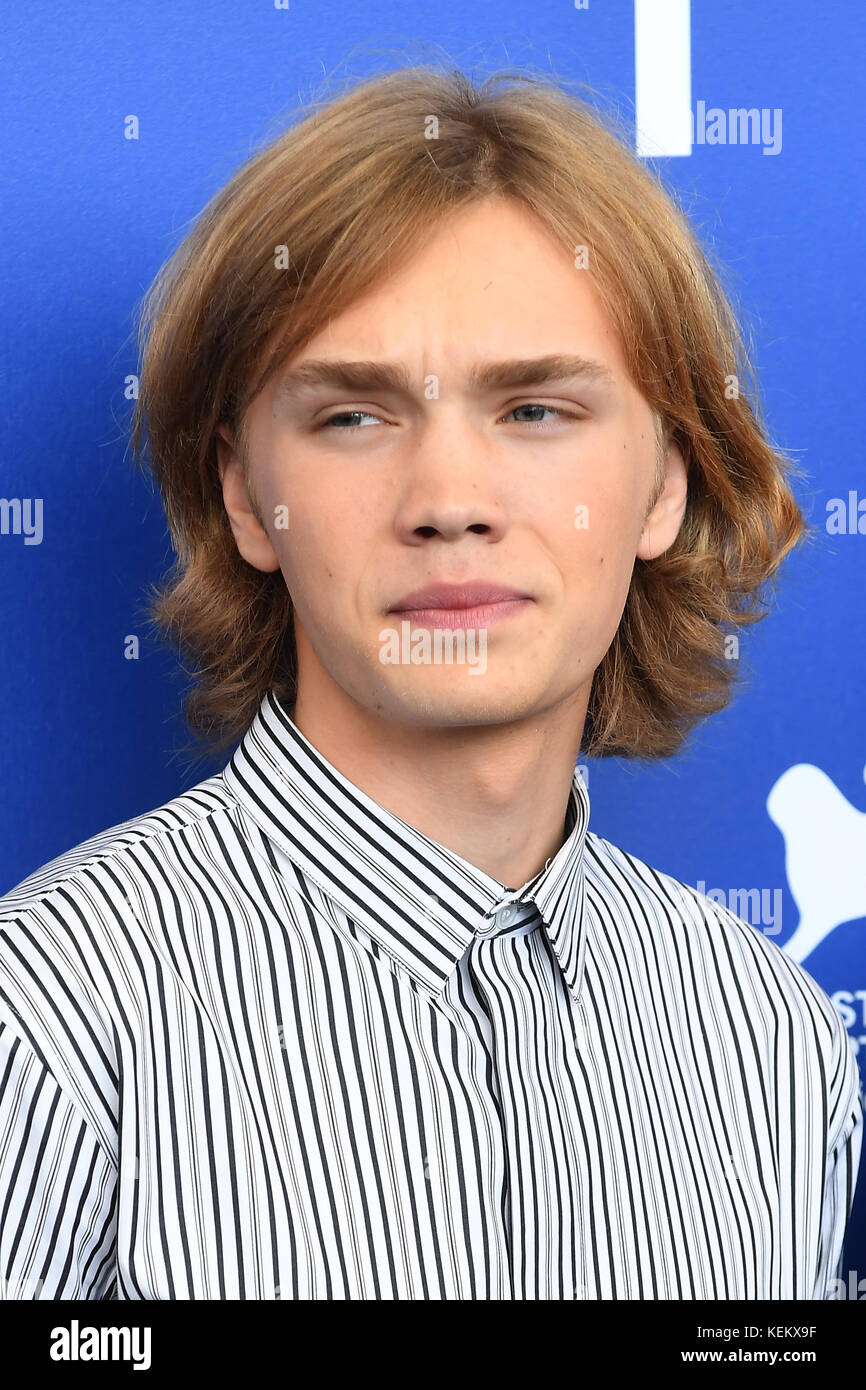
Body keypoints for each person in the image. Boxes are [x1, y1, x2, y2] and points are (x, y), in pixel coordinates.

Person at [0, 64, 860, 1301]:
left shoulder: (763, 1033)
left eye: (535, 409)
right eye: (353, 416)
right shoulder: (50, 1021)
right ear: (246, 494)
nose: (449, 501)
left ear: (665, 484)